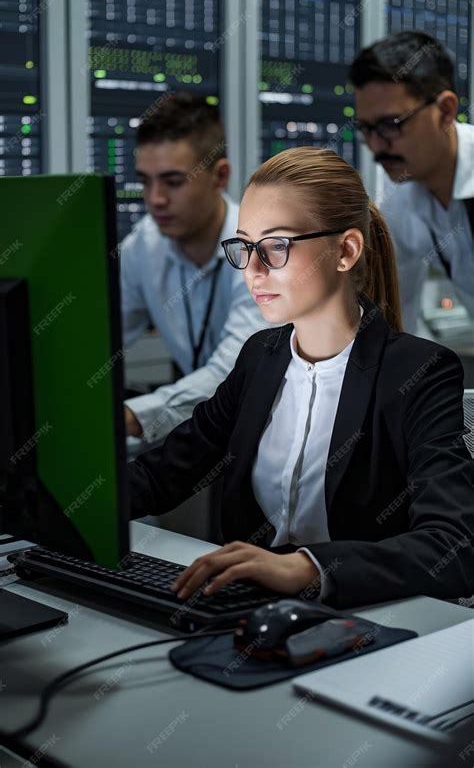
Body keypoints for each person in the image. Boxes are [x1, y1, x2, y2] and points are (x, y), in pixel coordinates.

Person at [127, 147, 474, 610]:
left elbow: (453, 546)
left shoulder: (417, 372)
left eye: (275, 246)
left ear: (345, 251)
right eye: (245, 246)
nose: (252, 270)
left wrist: (307, 567)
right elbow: (165, 471)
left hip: (365, 618)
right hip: (251, 613)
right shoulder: (260, 359)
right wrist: (56, 509)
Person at [120, 92, 264, 449]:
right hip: (207, 426)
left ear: (220, 176)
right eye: (146, 181)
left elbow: (235, 376)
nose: (155, 199)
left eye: (172, 181)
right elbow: (97, 339)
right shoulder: (144, 245)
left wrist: (132, 417)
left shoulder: (260, 251)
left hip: (274, 429)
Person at [349, 30, 474, 335]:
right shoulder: (401, 195)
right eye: (366, 129)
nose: (377, 145)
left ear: (445, 111)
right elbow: (393, 307)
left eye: (391, 125)